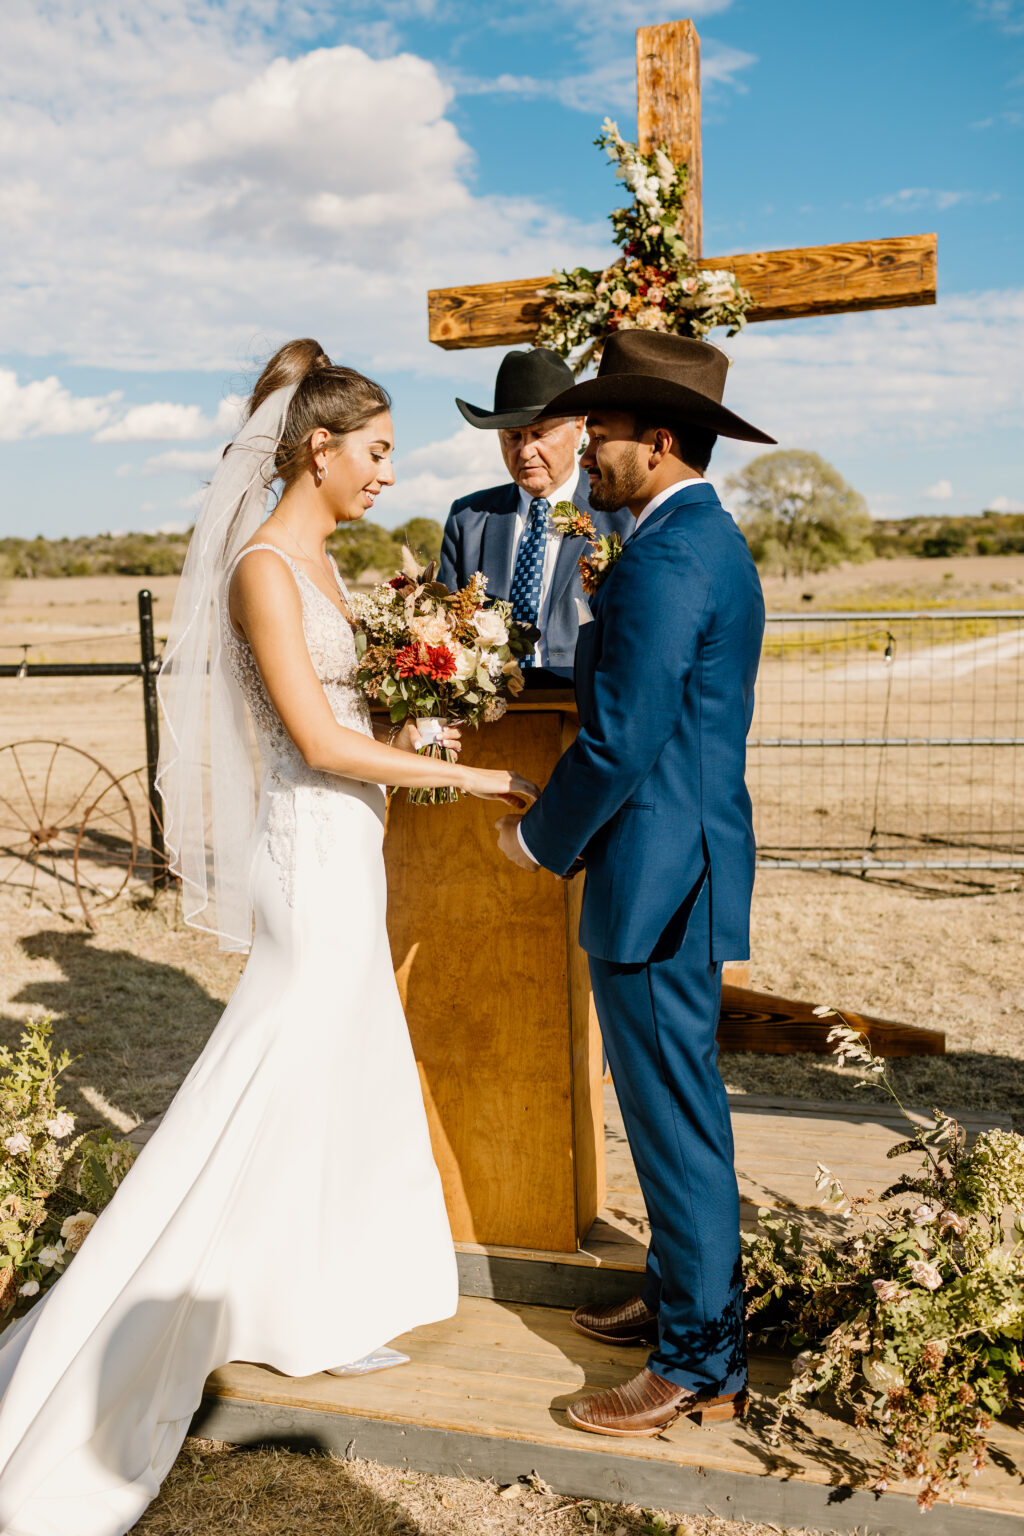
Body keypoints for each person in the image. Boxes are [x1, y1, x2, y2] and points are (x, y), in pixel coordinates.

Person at [0, 338, 537, 1536]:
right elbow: (318, 741)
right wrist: (469, 776)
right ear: (318, 449)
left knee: (332, 1071)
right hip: (308, 850)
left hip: (352, 844)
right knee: (281, 1066)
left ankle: (311, 1299)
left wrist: (423, 726)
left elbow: (351, 709)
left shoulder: (324, 564)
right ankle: (179, 1290)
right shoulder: (261, 569)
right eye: (377, 451)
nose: (388, 473)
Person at [495, 329, 776, 1437]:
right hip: (674, 864)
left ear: (657, 440)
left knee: (673, 1116)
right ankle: (677, 1291)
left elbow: (618, 741)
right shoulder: (696, 538)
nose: (586, 450)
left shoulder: (665, 558)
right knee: (670, 1106)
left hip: (658, 878)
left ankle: (698, 1361)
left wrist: (535, 841)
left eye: (600, 429)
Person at [438, 347, 631, 680]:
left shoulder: (622, 517)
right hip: (493, 705)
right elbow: (447, 629)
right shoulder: (468, 518)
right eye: (512, 436)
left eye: (540, 434)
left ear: (579, 428)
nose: (525, 451)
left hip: (588, 701)